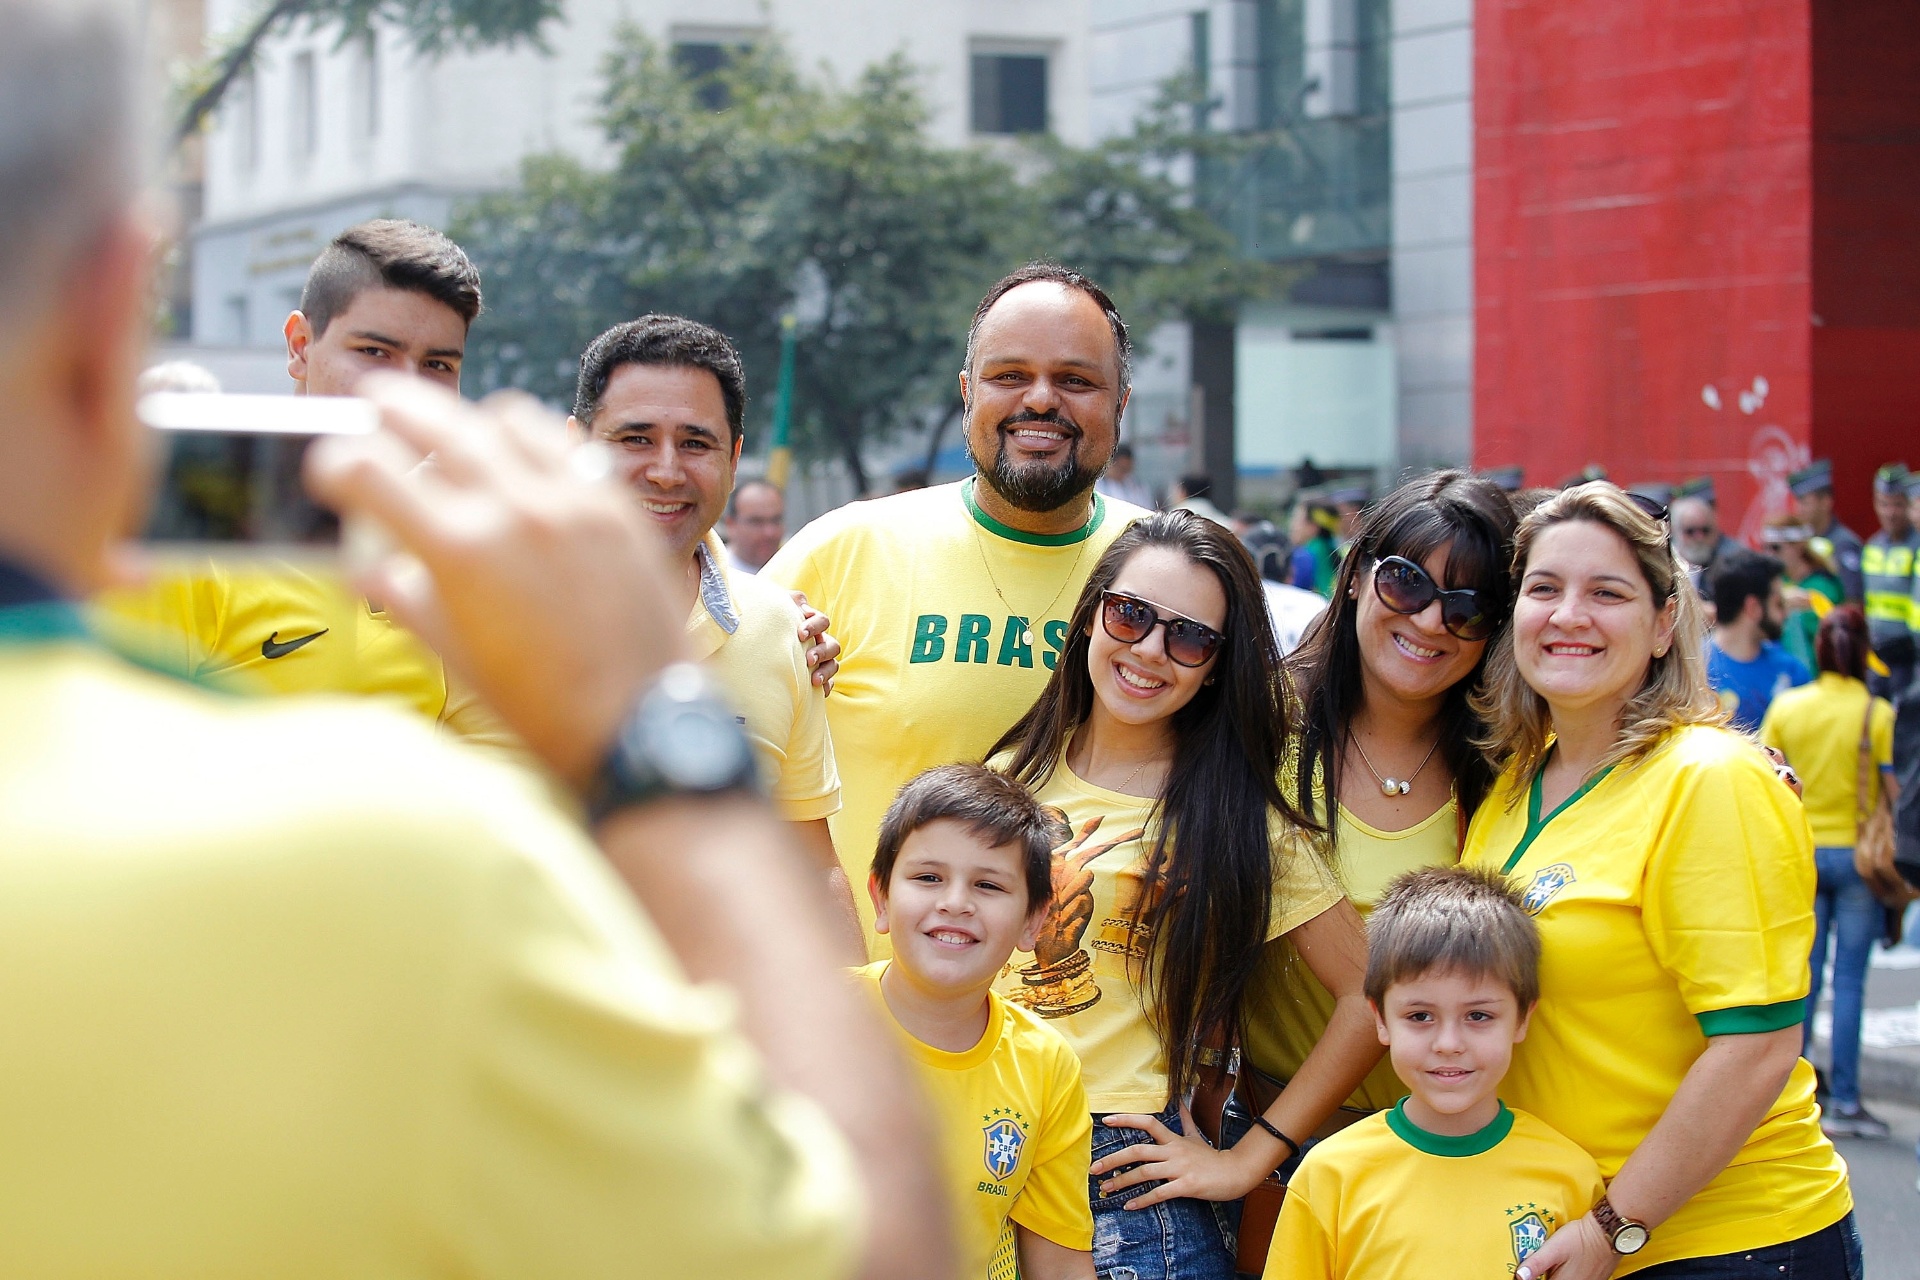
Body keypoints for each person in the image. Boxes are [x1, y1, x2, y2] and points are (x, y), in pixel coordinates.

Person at [0, 5, 953, 1273]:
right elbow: (868, 1244)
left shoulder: (498, 585)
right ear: (125, 289)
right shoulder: (424, 863)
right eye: (372, 351)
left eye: (436, 364)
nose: (402, 389)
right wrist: (662, 736)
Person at [1465, 482, 1857, 1279]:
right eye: (1544, 588)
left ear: (1664, 623)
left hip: (1726, 1242)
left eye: (1607, 593)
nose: (1569, 615)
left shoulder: (1710, 779)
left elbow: (1757, 1044)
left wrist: (1615, 1226)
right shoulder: (1512, 789)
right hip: (1573, 1229)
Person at [991, 511, 1378, 1280]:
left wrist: (1250, 1159)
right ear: (1093, 612)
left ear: (1216, 666)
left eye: (1190, 638)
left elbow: (1371, 996)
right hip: (980, 1149)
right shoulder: (1009, 773)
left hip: (1121, 1178)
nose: (1149, 652)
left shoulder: (1236, 815)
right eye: (1130, 615)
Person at [763, 262, 1151, 950]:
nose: (1040, 400)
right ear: (968, 393)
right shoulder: (843, 552)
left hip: (1098, 1046)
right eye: (1009, 376)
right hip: (874, 1034)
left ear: (1120, 403)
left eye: (1076, 380)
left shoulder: (1172, 578)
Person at [1245, 471, 1519, 1129]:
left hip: (1459, 1152)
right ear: (1358, 575)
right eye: (1406, 581)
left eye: (1466, 608)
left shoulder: (1517, 759)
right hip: (1274, 1148)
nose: (1429, 621)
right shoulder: (1261, 724)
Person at [1263, 866, 1603, 1280]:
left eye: (1478, 1015)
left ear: (1521, 1019)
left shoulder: (1571, 1175)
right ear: (1382, 1020)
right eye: (1420, 1015)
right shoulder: (1330, 1173)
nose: (1447, 1042)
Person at [567, 318, 841, 831]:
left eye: (695, 443)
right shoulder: (472, 606)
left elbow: (808, 857)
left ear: (734, 459)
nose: (667, 472)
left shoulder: (784, 630)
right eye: (635, 439)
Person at [861, 764, 1095, 1280]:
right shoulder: (806, 1017)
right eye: (928, 878)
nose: (955, 903)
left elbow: (1058, 1265)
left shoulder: (1045, 1065)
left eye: (988, 885)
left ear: (1034, 920)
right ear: (880, 897)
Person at [1761, 605, 1900, 1142]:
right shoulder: (1875, 712)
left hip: (1801, 852)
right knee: (1850, 982)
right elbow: (1892, 790)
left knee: (1802, 978)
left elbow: (1767, 774)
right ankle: (1845, 1098)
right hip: (1860, 858)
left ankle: (1787, 1097)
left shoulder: (1790, 706)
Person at [1704, 550, 1809, 731]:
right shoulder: (1692, 672)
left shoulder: (1792, 672)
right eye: (1779, 604)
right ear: (1753, 607)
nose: (1786, 614)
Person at [1862, 463, 1917, 700]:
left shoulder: (1916, 545)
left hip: (1908, 656)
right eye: (1883, 504)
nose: (1890, 512)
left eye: (1897, 504)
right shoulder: (1872, 546)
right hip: (1876, 655)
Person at [1763, 515, 1844, 673]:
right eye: (1765, 548)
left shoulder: (1823, 585)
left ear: (1798, 546)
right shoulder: (1777, 582)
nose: (1769, 554)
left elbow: (1826, 632)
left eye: (1775, 548)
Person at [1791, 459, 1866, 605]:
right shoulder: (1804, 541)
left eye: (1805, 503)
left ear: (1826, 502)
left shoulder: (1844, 544)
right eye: (1798, 502)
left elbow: (1853, 600)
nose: (1799, 509)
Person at [1669, 478, 1732, 598]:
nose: (1699, 538)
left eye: (1705, 530)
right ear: (1675, 531)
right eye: (1690, 531)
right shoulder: (1665, 562)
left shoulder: (1730, 563)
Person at [724, 476, 786, 573]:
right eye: (756, 522)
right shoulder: (711, 577)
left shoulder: (798, 573)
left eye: (775, 521)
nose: (769, 532)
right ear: (731, 524)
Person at [1289, 498, 1341, 598]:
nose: (1292, 526)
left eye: (1296, 519)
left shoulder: (1303, 556)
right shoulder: (1339, 550)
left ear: (1313, 526)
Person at [1097, 442, 1156, 510]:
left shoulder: (1138, 487)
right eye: (1121, 468)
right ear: (1110, 464)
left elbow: (1147, 509)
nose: (1124, 473)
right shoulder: (1097, 486)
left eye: (1127, 469)